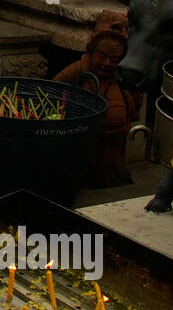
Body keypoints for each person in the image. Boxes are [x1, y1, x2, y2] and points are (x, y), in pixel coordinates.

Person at [52, 11, 143, 187]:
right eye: (102, 56)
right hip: (86, 142)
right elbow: (55, 87)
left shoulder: (121, 77)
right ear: (93, 51)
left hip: (114, 145)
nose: (107, 63)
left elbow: (136, 95)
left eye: (115, 59)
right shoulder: (81, 69)